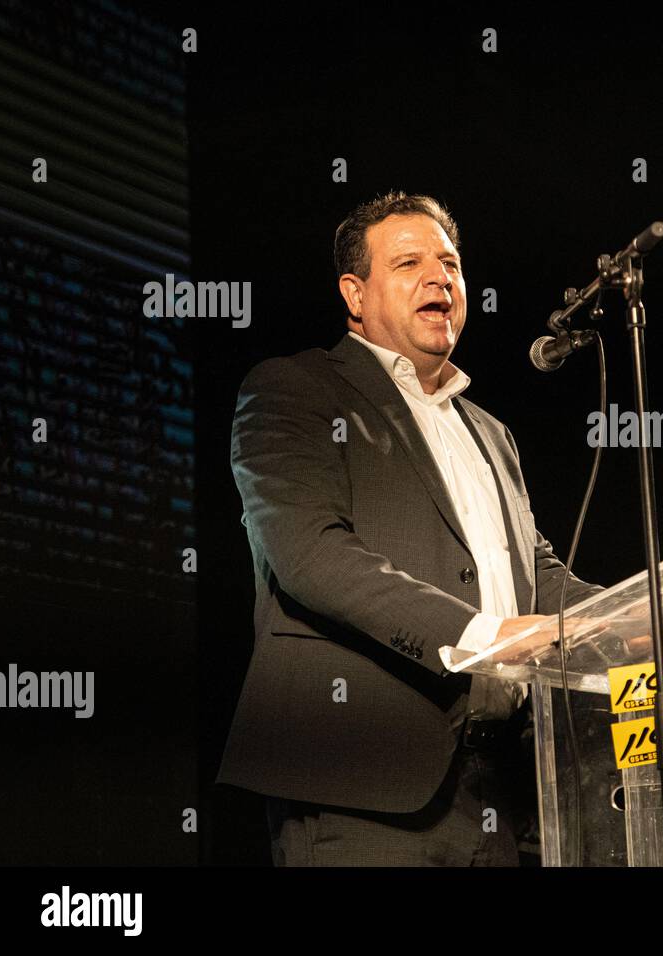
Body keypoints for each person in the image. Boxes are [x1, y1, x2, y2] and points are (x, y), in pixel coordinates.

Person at [217, 191, 602, 866]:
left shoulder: (492, 433)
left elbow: (536, 575)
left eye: (451, 263)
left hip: (500, 796)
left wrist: (638, 617)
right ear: (355, 293)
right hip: (361, 786)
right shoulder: (293, 390)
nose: (440, 277)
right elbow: (310, 554)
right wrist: (481, 636)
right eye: (409, 262)